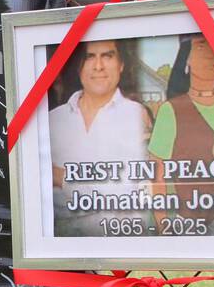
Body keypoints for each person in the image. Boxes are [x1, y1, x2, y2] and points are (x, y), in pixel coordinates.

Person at [147, 33, 214, 234]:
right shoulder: (170, 111)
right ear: (186, 59)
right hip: (188, 228)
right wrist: (163, 226)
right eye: (200, 47)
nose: (210, 56)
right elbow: (157, 177)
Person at [48, 38, 151, 237]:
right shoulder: (53, 119)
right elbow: (50, 203)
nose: (98, 66)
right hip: (66, 249)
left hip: (121, 245)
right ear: (79, 67)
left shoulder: (136, 115)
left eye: (107, 56)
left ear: (121, 65)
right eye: (89, 57)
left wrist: (61, 177)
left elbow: (123, 196)